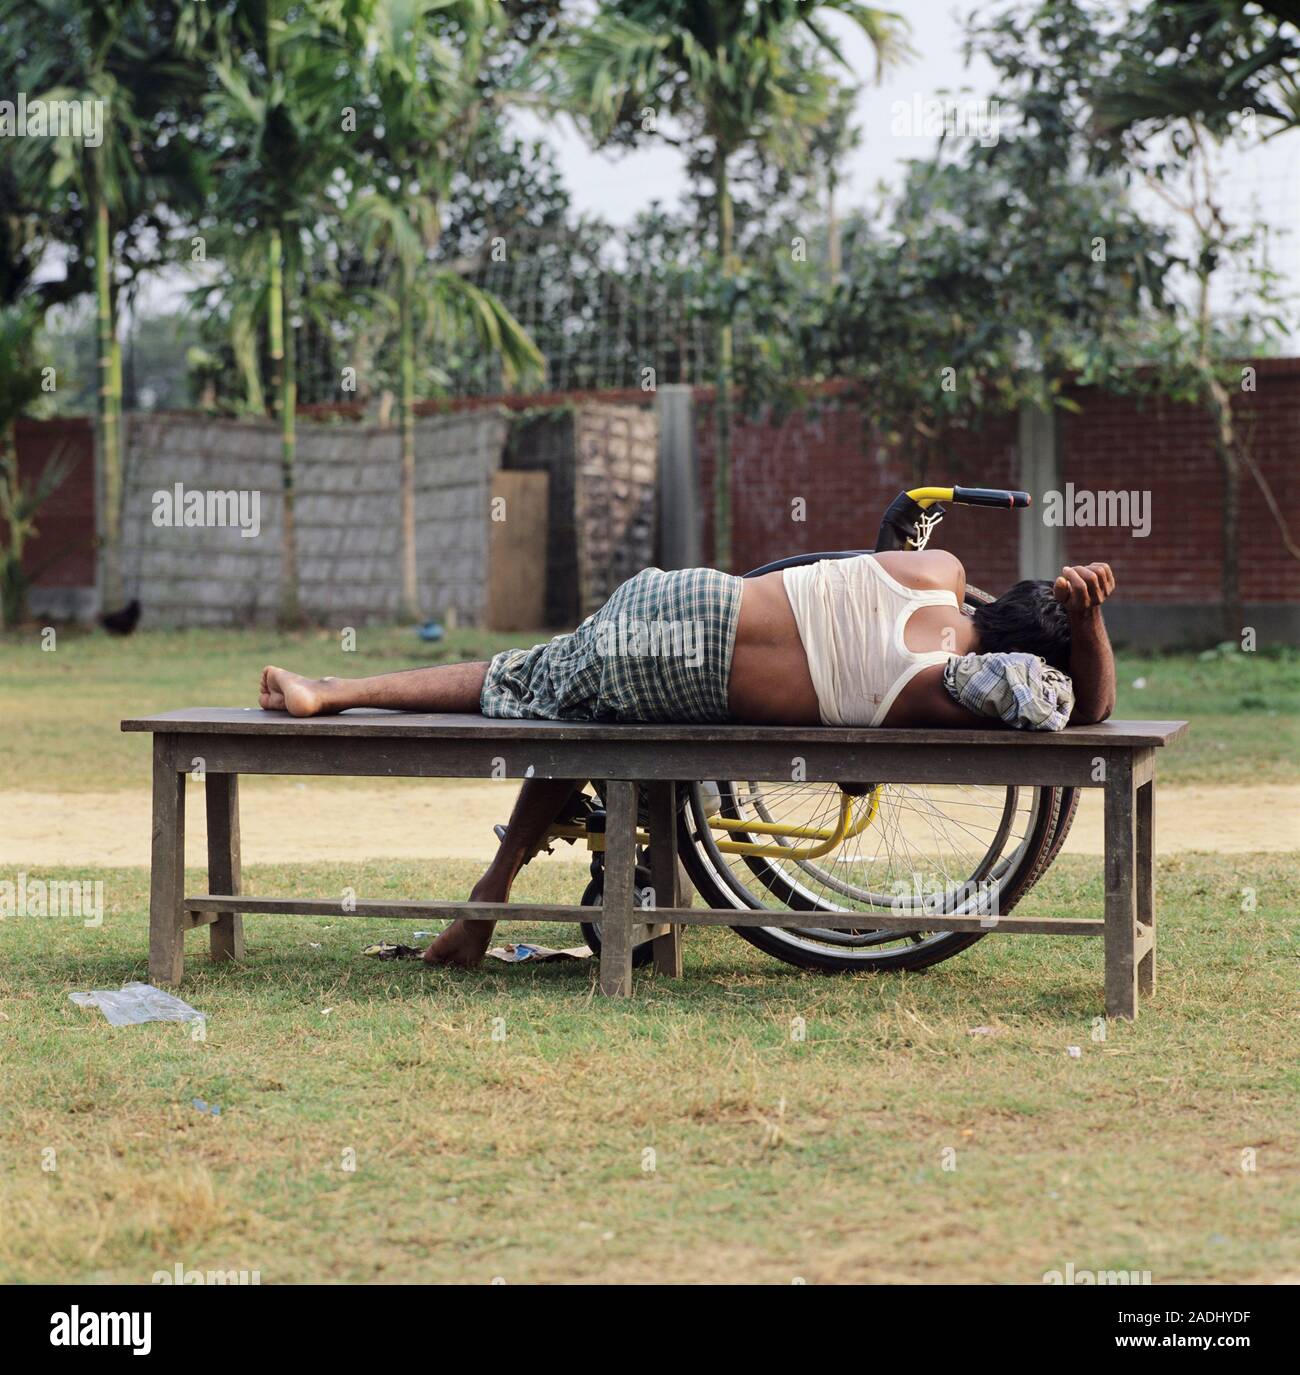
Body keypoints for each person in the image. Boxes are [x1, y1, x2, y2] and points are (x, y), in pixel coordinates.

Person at [258, 552, 1116, 968]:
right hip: (682, 671)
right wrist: (1091, 625)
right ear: (1039, 661)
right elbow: (1093, 706)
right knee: (538, 693)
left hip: (683, 595)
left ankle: (340, 698)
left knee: (533, 683)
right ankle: (482, 889)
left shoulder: (936, 566)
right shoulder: (961, 688)